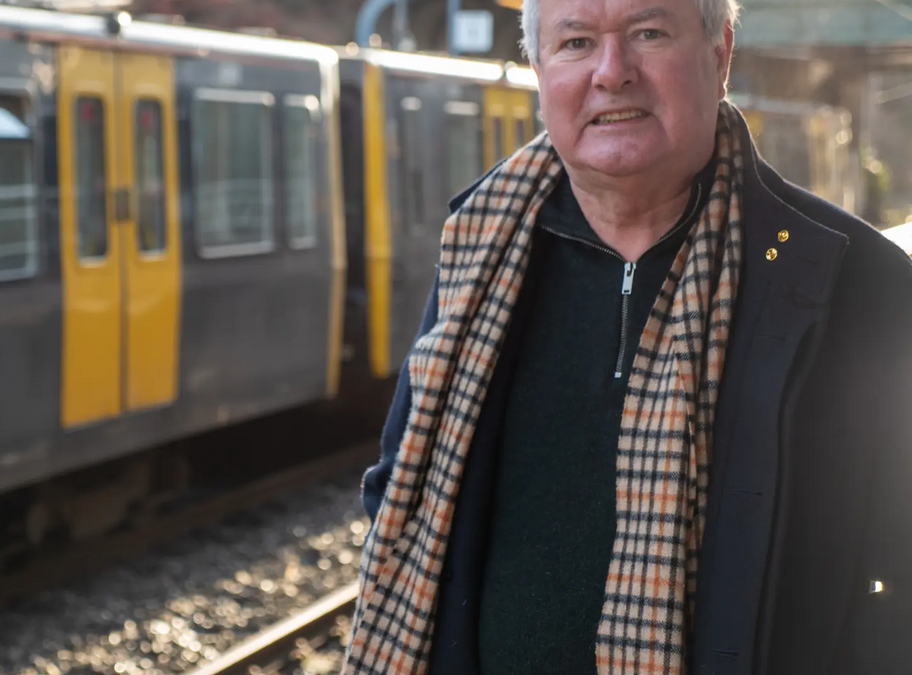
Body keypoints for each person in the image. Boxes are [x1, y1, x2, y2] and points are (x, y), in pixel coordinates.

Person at [344, 0, 912, 673]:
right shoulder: (476, 248)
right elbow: (398, 489)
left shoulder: (853, 279)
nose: (612, 73)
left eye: (648, 33)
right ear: (538, 68)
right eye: (577, 41)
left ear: (719, 53)